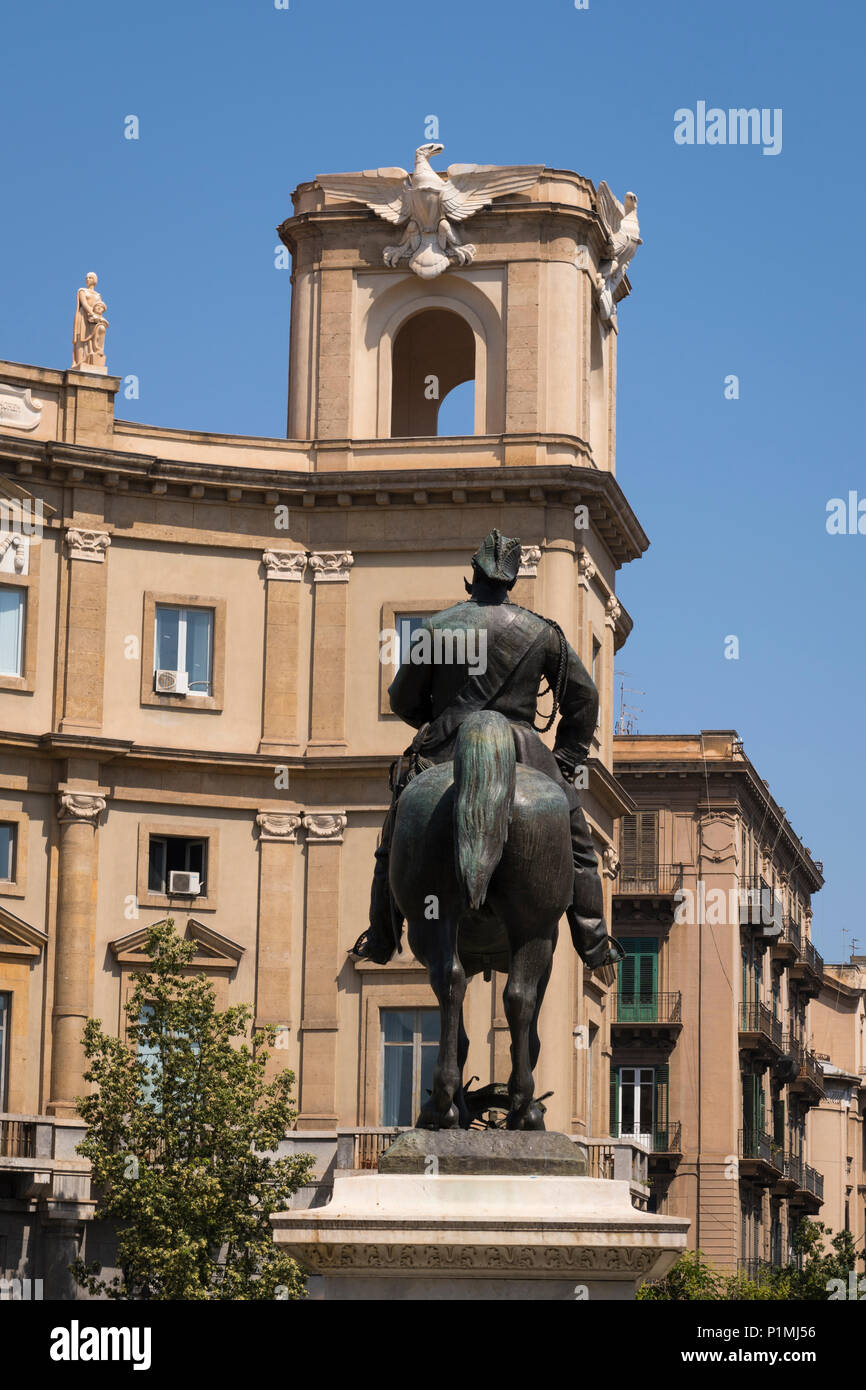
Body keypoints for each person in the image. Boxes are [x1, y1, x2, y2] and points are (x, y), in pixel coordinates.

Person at [349, 528, 624, 973]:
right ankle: (593, 940)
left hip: (444, 749)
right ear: (511, 582)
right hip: (526, 751)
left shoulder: (437, 629)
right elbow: (584, 699)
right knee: (578, 843)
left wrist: (438, 720)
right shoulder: (542, 633)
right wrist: (565, 760)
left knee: (394, 831)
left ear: (473, 575)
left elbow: (401, 699)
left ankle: (382, 934)